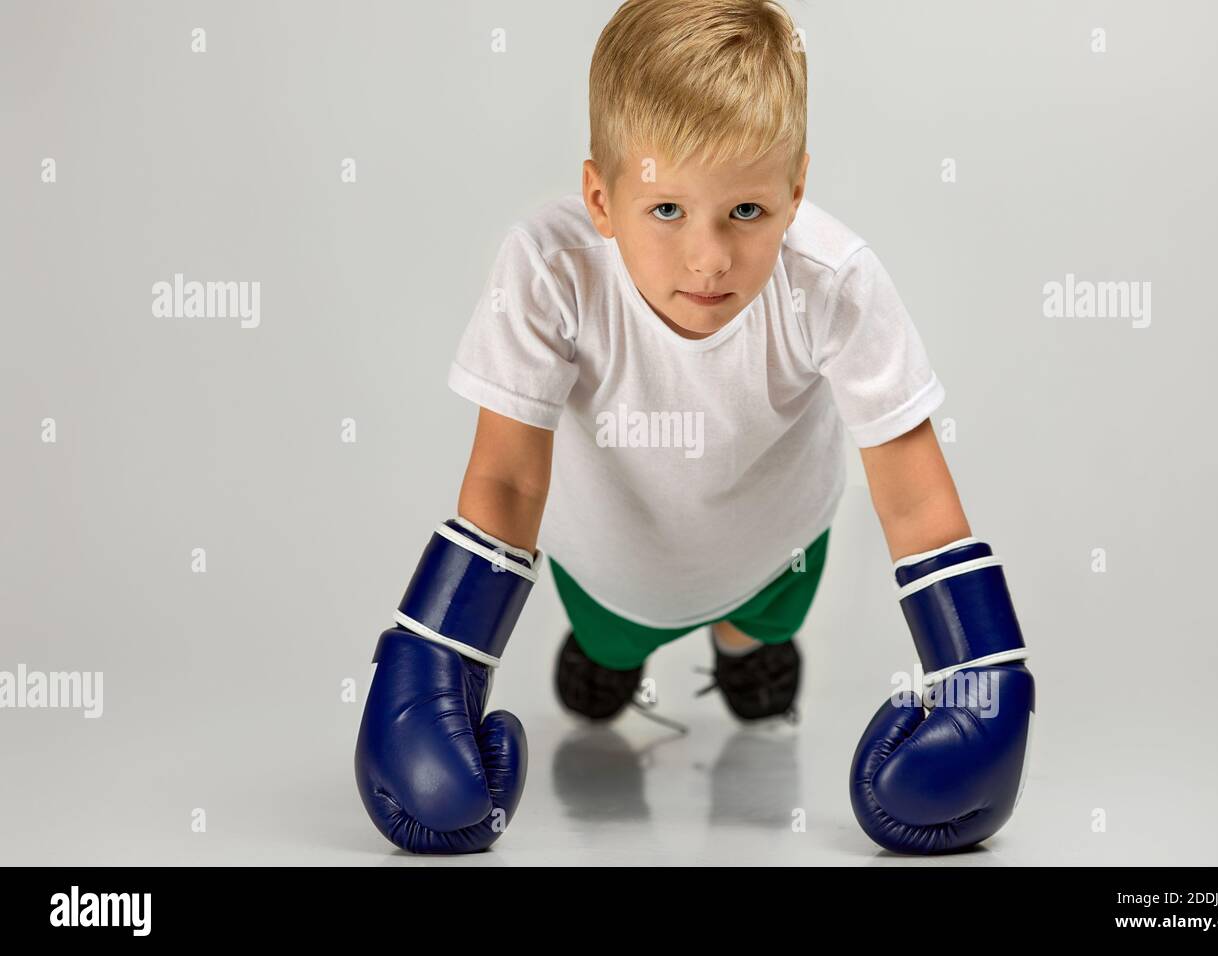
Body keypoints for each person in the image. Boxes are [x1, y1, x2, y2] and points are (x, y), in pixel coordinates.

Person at [355, 0, 1035, 856]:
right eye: (668, 210)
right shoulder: (550, 269)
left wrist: (982, 673)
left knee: (764, 641)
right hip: (609, 559)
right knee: (604, 650)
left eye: (746, 211)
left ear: (795, 192)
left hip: (776, 544)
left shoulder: (833, 281)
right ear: (600, 198)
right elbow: (507, 480)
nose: (709, 259)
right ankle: (618, 654)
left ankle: (740, 645)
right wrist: (434, 662)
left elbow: (914, 488)